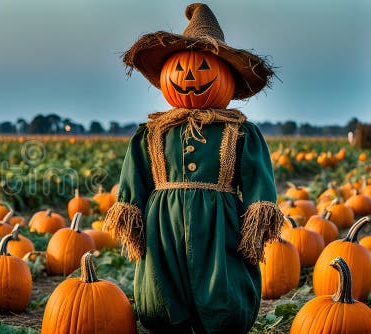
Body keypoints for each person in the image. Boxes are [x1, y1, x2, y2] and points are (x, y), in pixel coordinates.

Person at [104, 3, 284, 333]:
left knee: (221, 286)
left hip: (220, 222)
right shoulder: (151, 132)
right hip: (163, 223)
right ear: (165, 76)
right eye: (180, 68)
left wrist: (258, 216)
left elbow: (258, 180)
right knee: (163, 284)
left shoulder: (239, 131)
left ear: (226, 76)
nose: (189, 77)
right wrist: (130, 210)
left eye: (203, 68)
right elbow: (135, 177)